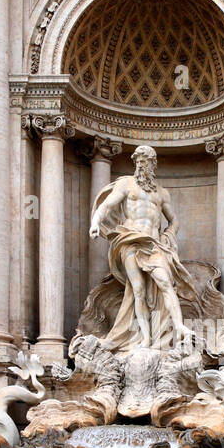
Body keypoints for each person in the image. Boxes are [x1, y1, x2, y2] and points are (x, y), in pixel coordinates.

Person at [89, 145, 197, 352]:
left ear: (152, 164)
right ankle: (145, 339)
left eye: (144, 161)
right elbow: (106, 206)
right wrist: (95, 223)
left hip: (154, 244)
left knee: (165, 282)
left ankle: (180, 326)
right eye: (138, 161)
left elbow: (174, 220)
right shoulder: (126, 185)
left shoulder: (162, 193)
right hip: (130, 239)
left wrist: (168, 235)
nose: (140, 165)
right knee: (137, 289)